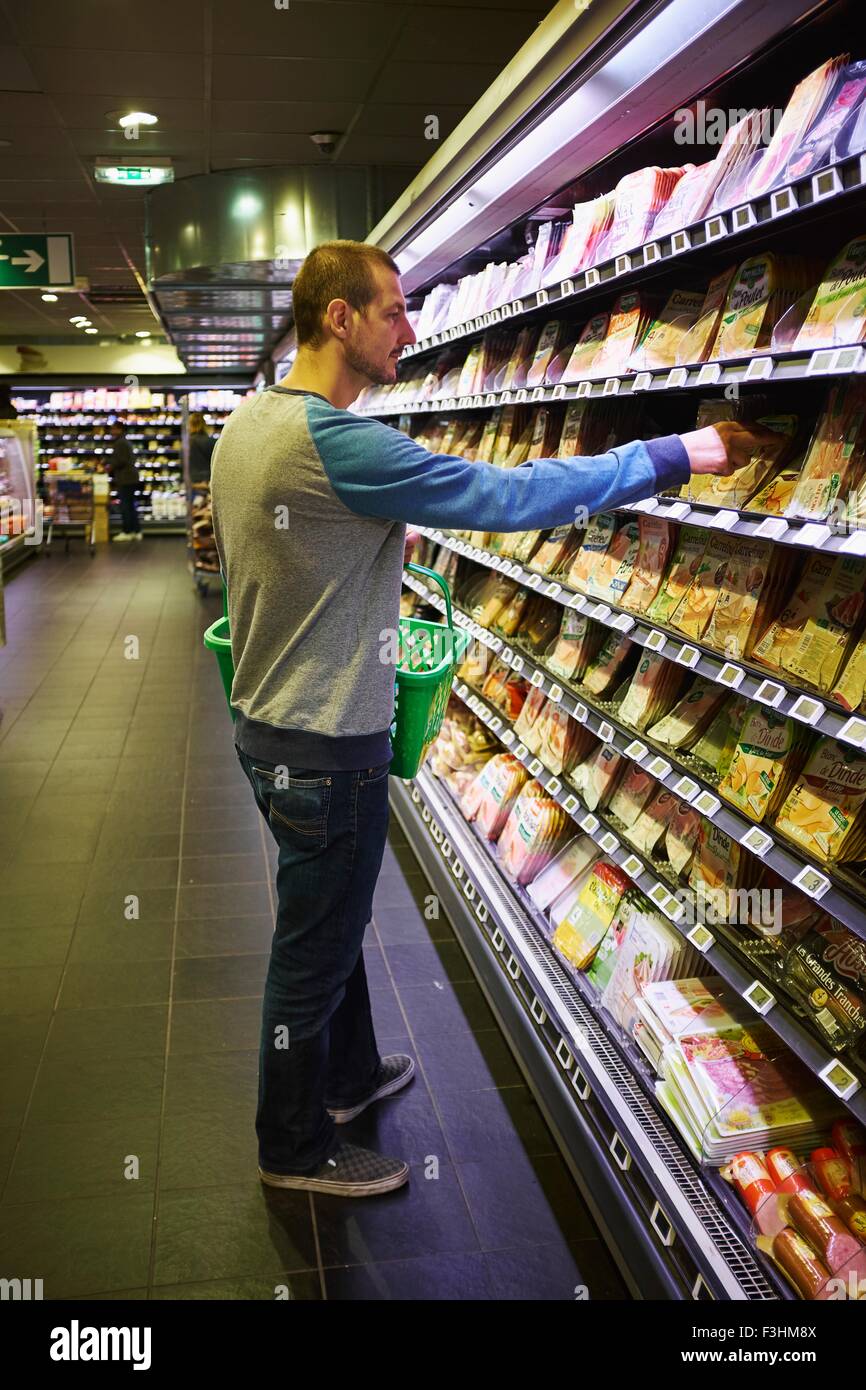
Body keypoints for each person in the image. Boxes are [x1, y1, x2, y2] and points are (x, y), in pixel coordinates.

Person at [211, 239, 774, 1200]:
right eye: (393, 310)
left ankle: (344, 1082)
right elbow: (505, 497)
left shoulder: (249, 423)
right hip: (325, 738)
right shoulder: (336, 445)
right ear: (338, 319)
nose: (411, 328)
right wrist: (677, 453)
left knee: (330, 926)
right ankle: (292, 1148)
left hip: (271, 727)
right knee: (311, 954)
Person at [107, 421, 141, 542]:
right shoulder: (125, 442)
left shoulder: (120, 443)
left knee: (126, 506)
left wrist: (108, 468)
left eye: (113, 429)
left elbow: (120, 461)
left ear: (120, 429)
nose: (111, 432)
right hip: (132, 478)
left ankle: (127, 531)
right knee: (131, 506)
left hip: (125, 478)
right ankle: (136, 531)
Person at [187, 411, 216, 491]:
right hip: (208, 482)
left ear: (190, 425)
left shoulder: (187, 443)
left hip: (191, 483)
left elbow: (182, 464)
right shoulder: (211, 441)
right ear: (204, 424)